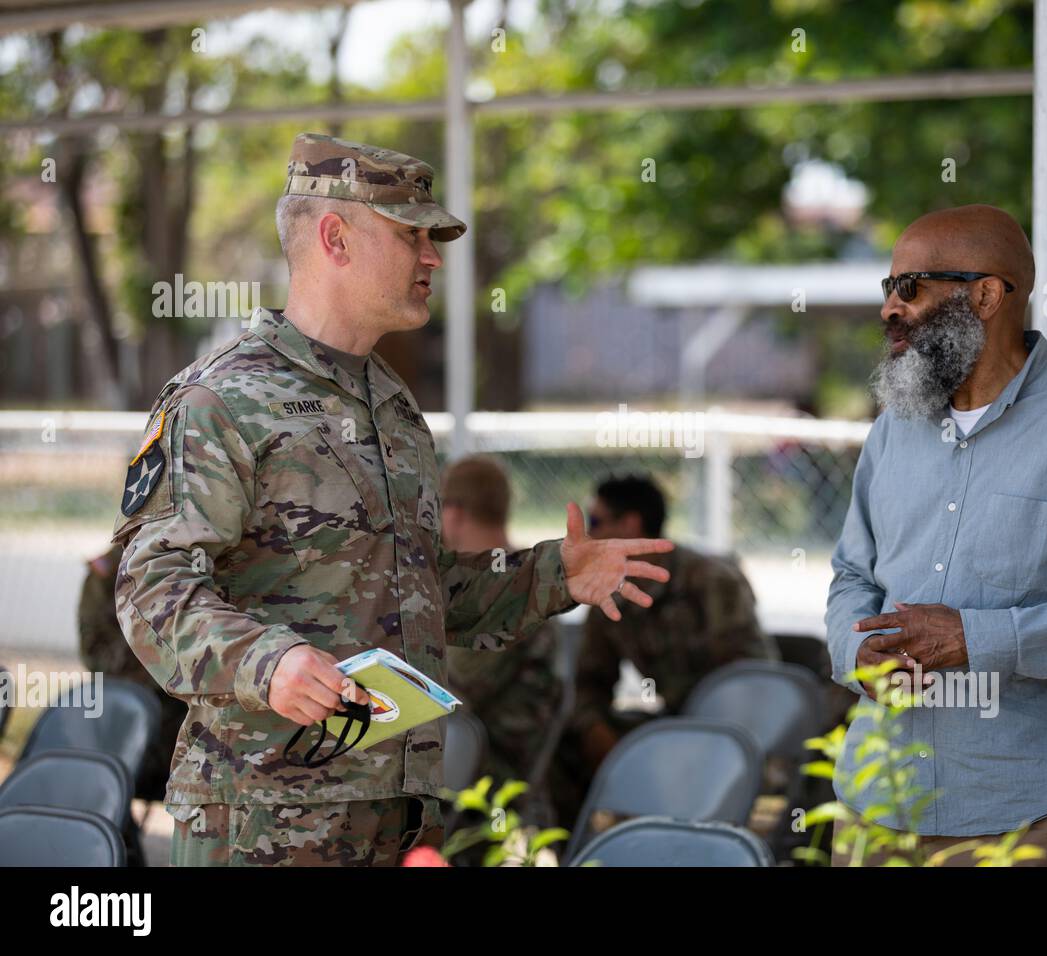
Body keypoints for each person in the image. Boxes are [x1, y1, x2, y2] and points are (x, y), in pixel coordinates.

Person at [112, 133, 673, 867]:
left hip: (398, 815)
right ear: (335, 237)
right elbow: (150, 585)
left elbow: (422, 591)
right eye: (412, 234)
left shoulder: (393, 406)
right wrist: (267, 662)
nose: (433, 256)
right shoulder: (222, 397)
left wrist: (554, 575)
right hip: (262, 822)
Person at [826, 204, 1047, 867]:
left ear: (987, 295)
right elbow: (853, 576)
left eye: (911, 287)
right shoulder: (893, 429)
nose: (889, 309)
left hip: (1021, 820)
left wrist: (977, 638)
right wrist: (857, 658)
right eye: (887, 288)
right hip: (878, 802)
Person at [556, 473, 777, 826]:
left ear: (630, 524)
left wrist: (695, 746)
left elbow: (753, 686)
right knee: (564, 740)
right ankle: (586, 852)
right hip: (672, 724)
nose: (588, 532)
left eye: (595, 520)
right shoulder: (610, 591)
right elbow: (588, 680)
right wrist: (594, 729)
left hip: (727, 732)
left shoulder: (711, 581)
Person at [441, 456, 564, 825]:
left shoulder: (498, 590)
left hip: (484, 796)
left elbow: (452, 691)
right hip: (484, 779)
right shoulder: (519, 576)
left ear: (453, 514)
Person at [78, 542, 187, 801]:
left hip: (183, 715)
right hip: (129, 715)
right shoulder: (109, 572)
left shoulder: (197, 562)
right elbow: (95, 653)